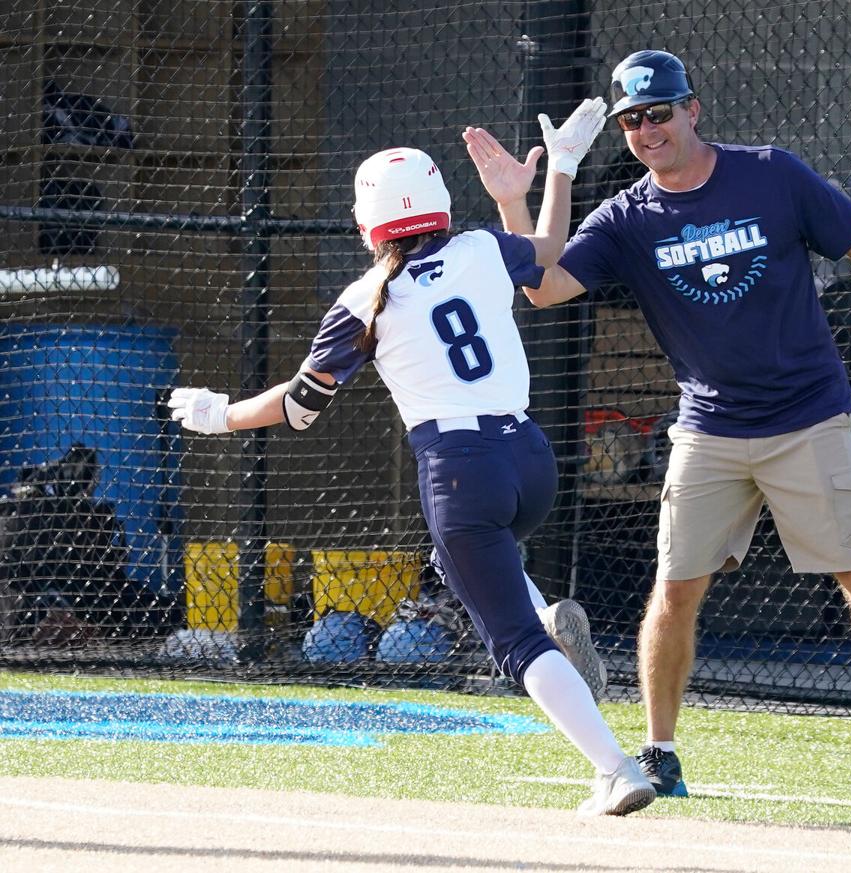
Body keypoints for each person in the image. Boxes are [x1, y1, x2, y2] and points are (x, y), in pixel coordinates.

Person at [472, 50, 851, 809]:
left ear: (693, 109)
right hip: (708, 427)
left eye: (660, 113)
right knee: (674, 590)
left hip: (809, 414)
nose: (648, 130)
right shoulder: (627, 216)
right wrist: (526, 194)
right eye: (633, 120)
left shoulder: (772, 173)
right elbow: (542, 286)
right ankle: (661, 753)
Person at [167, 97, 655, 817]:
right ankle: (547, 612)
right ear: (438, 205)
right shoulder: (483, 246)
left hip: (460, 468)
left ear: (369, 221)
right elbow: (547, 254)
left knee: (512, 643)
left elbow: (301, 406)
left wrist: (220, 416)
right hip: (531, 458)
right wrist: (559, 175)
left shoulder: (366, 297)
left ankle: (614, 765)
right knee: (501, 575)